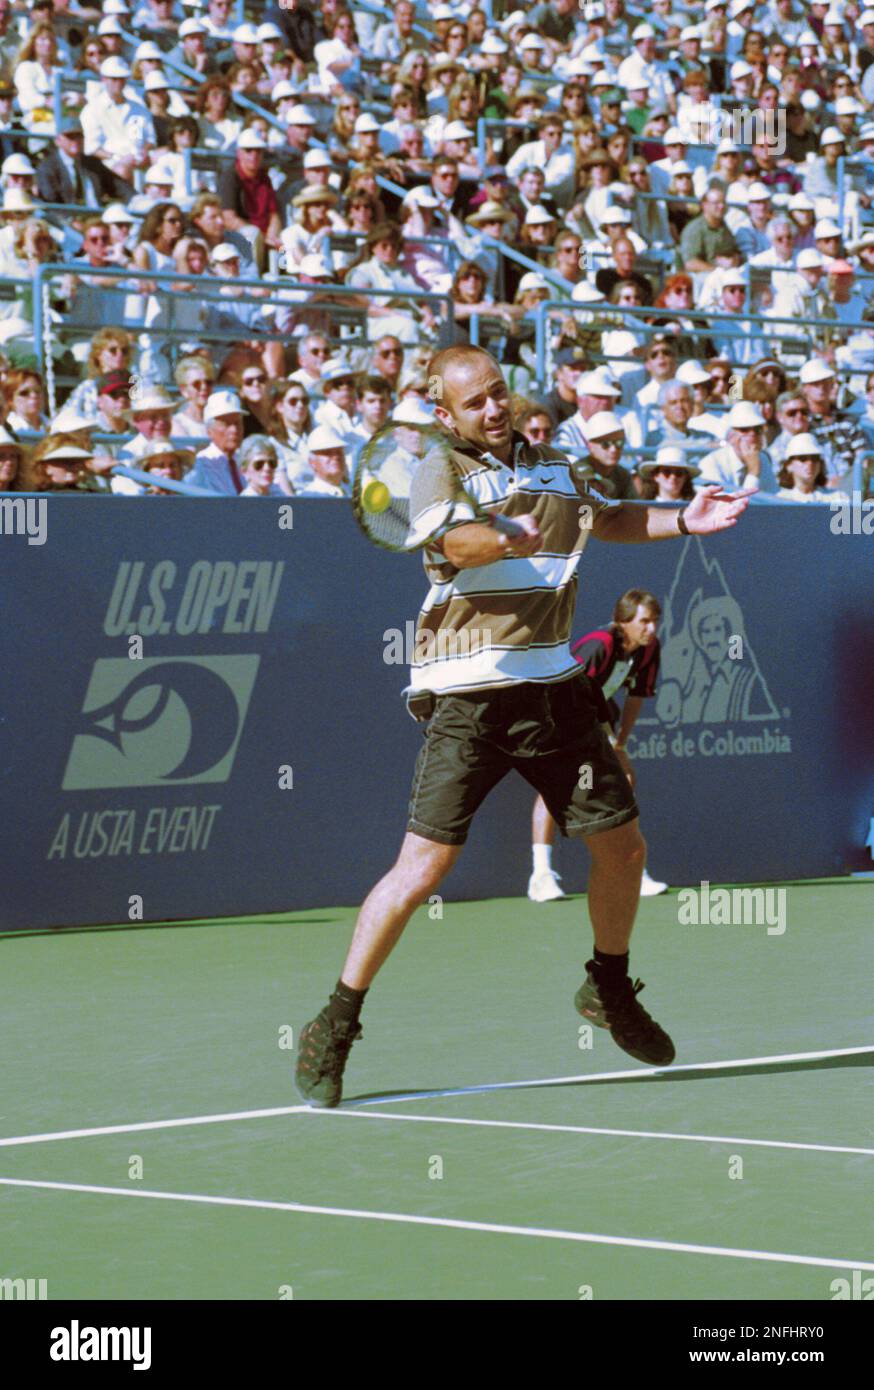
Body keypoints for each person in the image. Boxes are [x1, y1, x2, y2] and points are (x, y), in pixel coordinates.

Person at [294, 344, 749, 1109]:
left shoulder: (561, 465)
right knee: (421, 869)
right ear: (446, 415)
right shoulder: (443, 468)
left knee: (623, 846)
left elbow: (610, 518)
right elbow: (449, 540)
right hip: (468, 691)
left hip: (552, 686)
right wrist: (505, 534)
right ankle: (333, 1024)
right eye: (475, 403)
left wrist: (685, 521)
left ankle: (607, 988)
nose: (494, 409)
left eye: (499, 393)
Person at [527, 589, 669, 903]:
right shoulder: (599, 645)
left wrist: (619, 743)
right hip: (554, 713)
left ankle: (632, 870)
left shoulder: (649, 649)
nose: (652, 628)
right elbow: (564, 694)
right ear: (622, 621)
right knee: (556, 786)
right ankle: (540, 876)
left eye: (655, 621)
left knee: (625, 778)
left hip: (595, 716)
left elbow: (635, 698)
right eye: (644, 621)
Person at [187, 389, 246, 493]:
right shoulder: (202, 464)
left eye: (237, 423)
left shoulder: (247, 460)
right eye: (226, 423)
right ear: (209, 431)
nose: (234, 430)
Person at [775, 432, 834, 502]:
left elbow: (844, 513)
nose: (810, 463)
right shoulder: (780, 500)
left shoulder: (838, 498)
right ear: (789, 465)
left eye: (815, 458)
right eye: (802, 458)